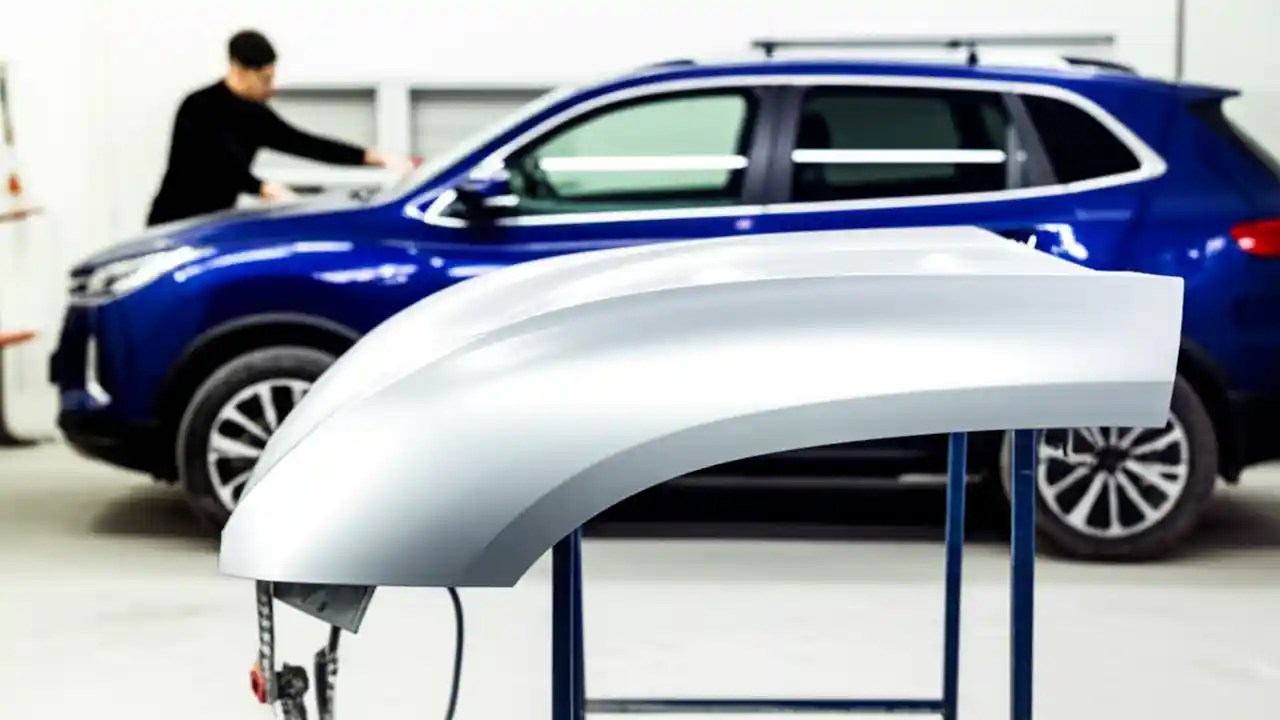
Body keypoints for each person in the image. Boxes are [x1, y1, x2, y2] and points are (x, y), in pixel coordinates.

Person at [147, 29, 411, 226]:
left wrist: (373, 157)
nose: (271, 87)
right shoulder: (198, 106)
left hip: (212, 222)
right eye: (265, 79)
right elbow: (208, 166)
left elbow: (305, 144)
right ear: (239, 69)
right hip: (174, 221)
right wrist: (262, 187)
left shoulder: (255, 115)